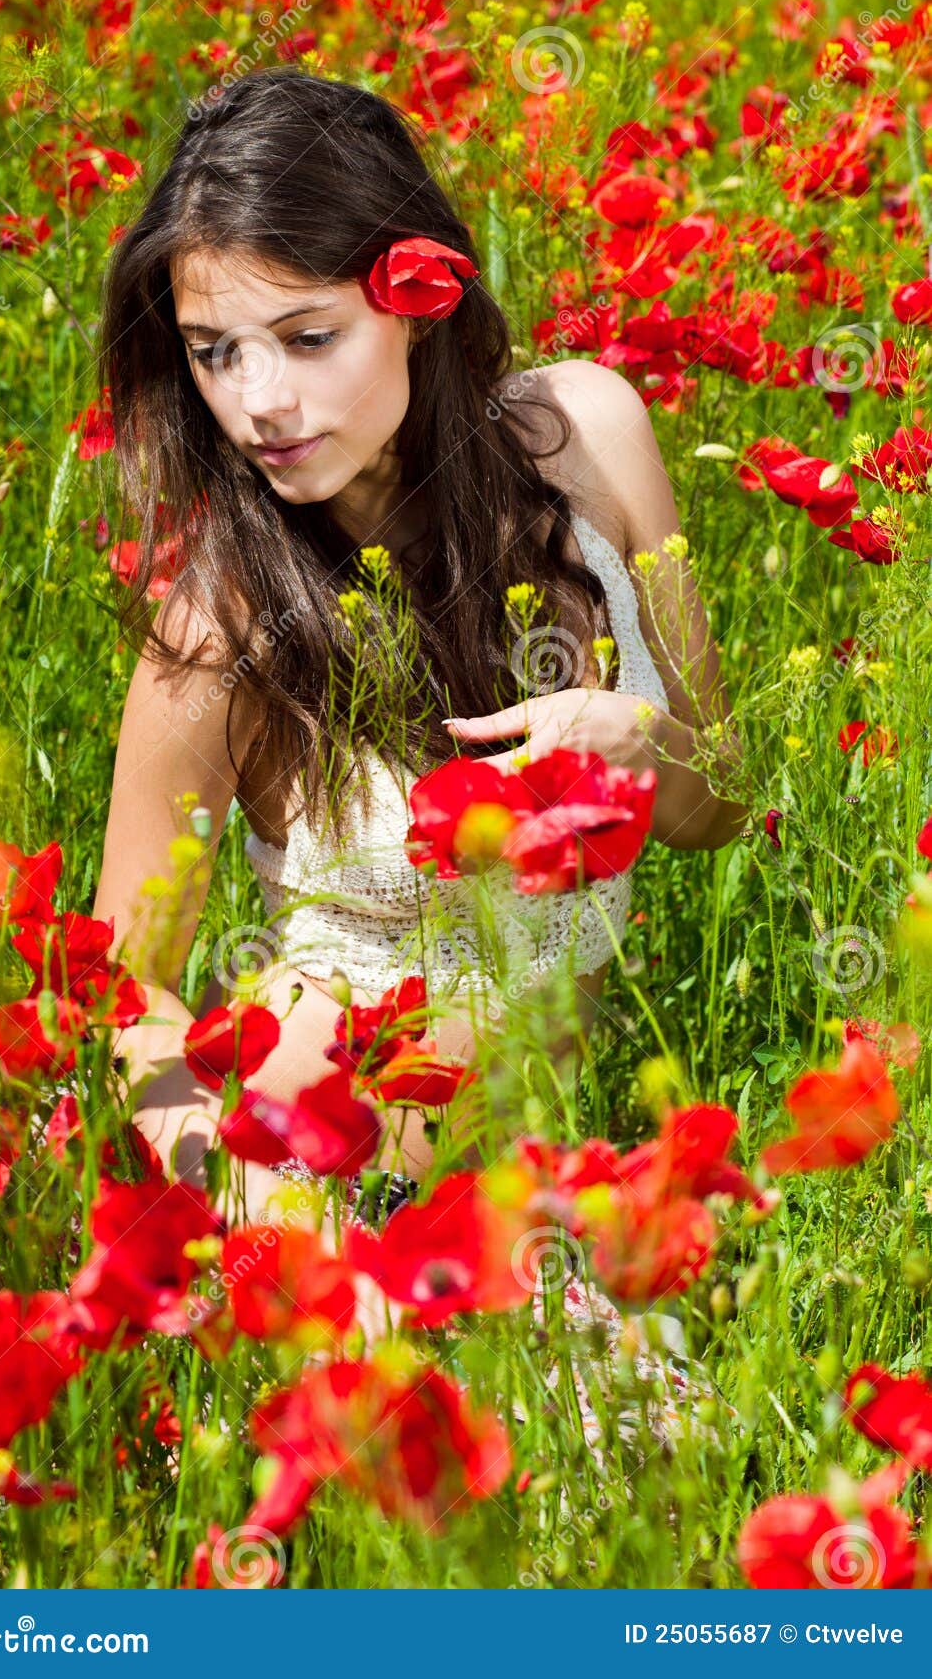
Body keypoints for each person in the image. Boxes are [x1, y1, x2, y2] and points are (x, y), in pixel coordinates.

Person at [90, 67, 748, 1241]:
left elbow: (720, 804)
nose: (259, 404)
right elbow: (121, 984)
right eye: (213, 351)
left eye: (305, 336)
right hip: (331, 1192)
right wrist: (238, 1194)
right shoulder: (220, 626)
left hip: (550, 1170)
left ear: (417, 295)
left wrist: (632, 741)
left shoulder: (589, 438)